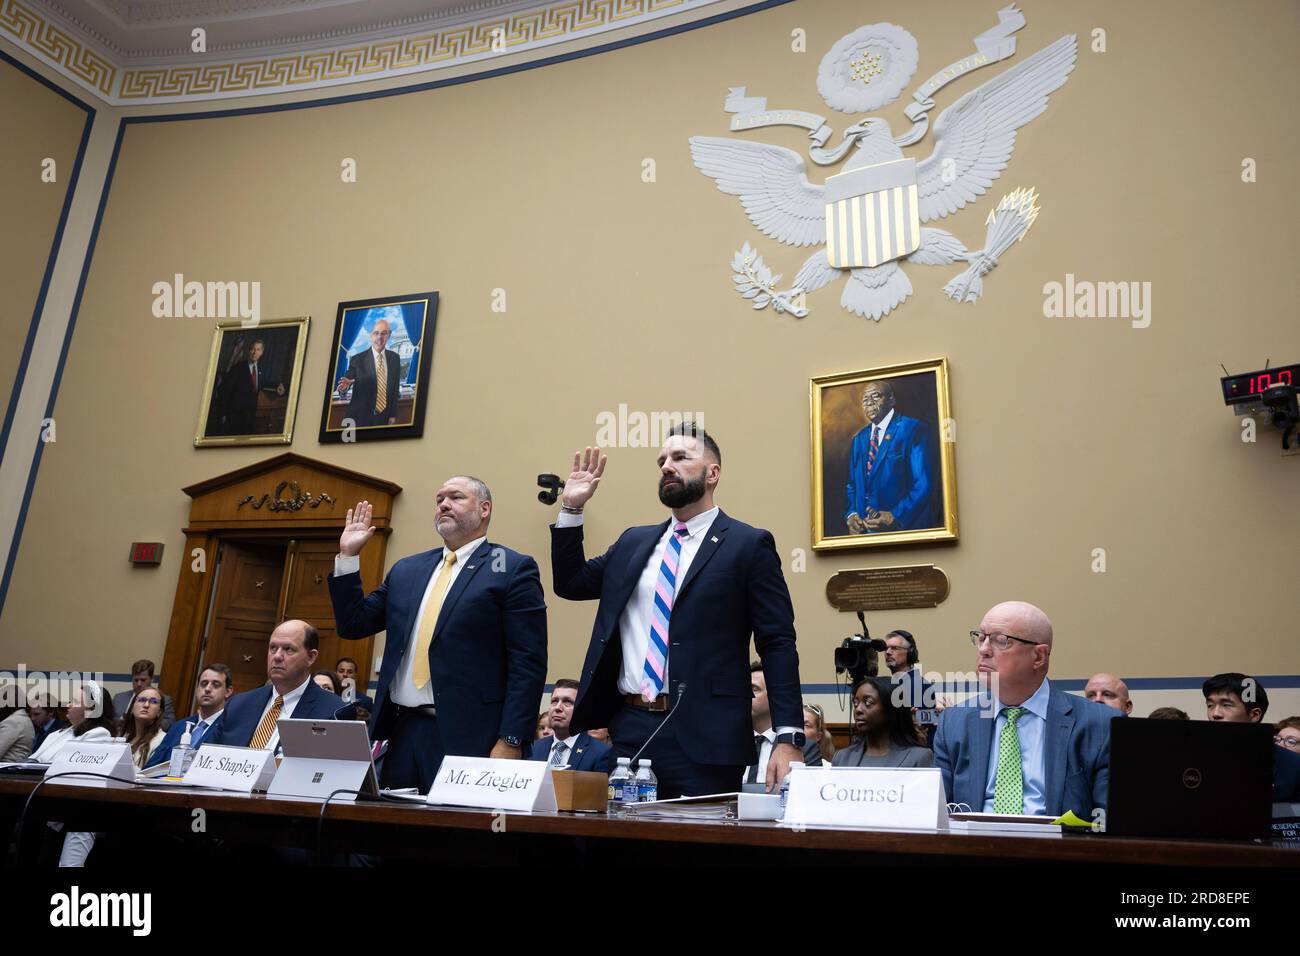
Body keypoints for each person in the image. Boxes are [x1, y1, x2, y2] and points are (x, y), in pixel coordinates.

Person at [552, 428, 805, 798]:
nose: (667, 466)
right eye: (662, 461)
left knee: (696, 848)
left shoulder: (747, 545)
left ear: (713, 473)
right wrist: (571, 509)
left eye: (681, 458)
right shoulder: (633, 543)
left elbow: (778, 642)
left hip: (708, 735)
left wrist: (788, 736)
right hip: (631, 729)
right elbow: (571, 583)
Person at [330, 476, 547, 791]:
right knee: (396, 830)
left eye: (456, 497)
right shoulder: (408, 570)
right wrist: (348, 557)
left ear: (485, 509)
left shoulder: (511, 569)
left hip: (473, 737)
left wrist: (511, 739)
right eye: (439, 499)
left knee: (458, 832)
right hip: (403, 729)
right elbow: (353, 625)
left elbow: (528, 662)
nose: (443, 504)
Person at [933, 601, 1118, 817]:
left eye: (1000, 640)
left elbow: (1110, 823)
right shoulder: (954, 723)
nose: (983, 650)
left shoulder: (1101, 726)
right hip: (973, 845)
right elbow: (935, 812)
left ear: (1039, 656)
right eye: (981, 637)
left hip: (1057, 847)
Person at [202, 620, 344, 751]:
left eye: (288, 649)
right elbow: (210, 760)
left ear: (311, 657)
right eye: (273, 648)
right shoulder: (238, 705)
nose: (277, 656)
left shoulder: (332, 711)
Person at [28, 682, 116, 867]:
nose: (68, 704)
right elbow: (32, 761)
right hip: (44, 802)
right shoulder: (59, 732)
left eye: (74, 702)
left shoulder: (98, 734)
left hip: (76, 811)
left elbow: (66, 766)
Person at [844, 380, 938, 534]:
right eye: (865, 400)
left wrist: (895, 515)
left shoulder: (913, 429)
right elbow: (852, 485)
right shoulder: (859, 439)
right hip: (865, 535)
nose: (869, 403)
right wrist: (852, 513)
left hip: (905, 532)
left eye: (875, 396)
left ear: (891, 400)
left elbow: (923, 484)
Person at [1202, 673, 1300, 802]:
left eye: (1226, 705)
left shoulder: (1293, 766)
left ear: (1254, 715)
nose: (1215, 714)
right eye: (1210, 705)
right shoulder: (1195, 755)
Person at [745, 662, 822, 784]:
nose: (746, 695)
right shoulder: (730, 743)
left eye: (754, 689)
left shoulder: (803, 748)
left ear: (773, 697)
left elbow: (809, 795)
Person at [145, 664, 234, 769]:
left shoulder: (231, 728)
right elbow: (150, 767)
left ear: (228, 692)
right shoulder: (178, 727)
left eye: (216, 684)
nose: (207, 689)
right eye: (203, 684)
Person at [832, 676, 933, 768]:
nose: (858, 709)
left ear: (891, 708)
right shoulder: (842, 758)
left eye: (868, 702)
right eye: (855, 703)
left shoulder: (919, 757)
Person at [528, 679, 615, 772]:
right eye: (554, 701)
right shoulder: (533, 749)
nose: (558, 707)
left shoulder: (600, 753)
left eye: (567, 702)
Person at [336, 319, 401, 428]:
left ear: (389, 335)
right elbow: (348, 378)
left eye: (384, 333)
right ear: (371, 335)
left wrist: (392, 415)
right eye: (376, 333)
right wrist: (344, 387)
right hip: (360, 417)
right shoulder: (357, 359)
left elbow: (395, 389)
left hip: (384, 417)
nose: (380, 337)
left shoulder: (395, 358)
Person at [219, 338, 284, 435]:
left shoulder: (261, 369)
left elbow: (265, 382)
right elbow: (226, 391)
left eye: (258, 350)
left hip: (251, 415)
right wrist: (223, 414)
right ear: (249, 350)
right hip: (235, 415)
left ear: (262, 352)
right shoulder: (238, 368)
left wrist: (279, 384)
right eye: (253, 349)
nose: (255, 353)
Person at [111, 660, 175, 732]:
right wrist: (120, 720)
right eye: (136, 680)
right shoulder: (119, 698)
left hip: (148, 738)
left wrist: (143, 722)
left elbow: (169, 724)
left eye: (143, 680)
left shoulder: (163, 699)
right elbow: (109, 720)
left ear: (152, 679)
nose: (139, 684)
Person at [123, 687, 167, 769]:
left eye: (154, 702)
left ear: (159, 712)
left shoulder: (162, 740)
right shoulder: (124, 737)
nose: (146, 705)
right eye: (142, 700)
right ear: (132, 708)